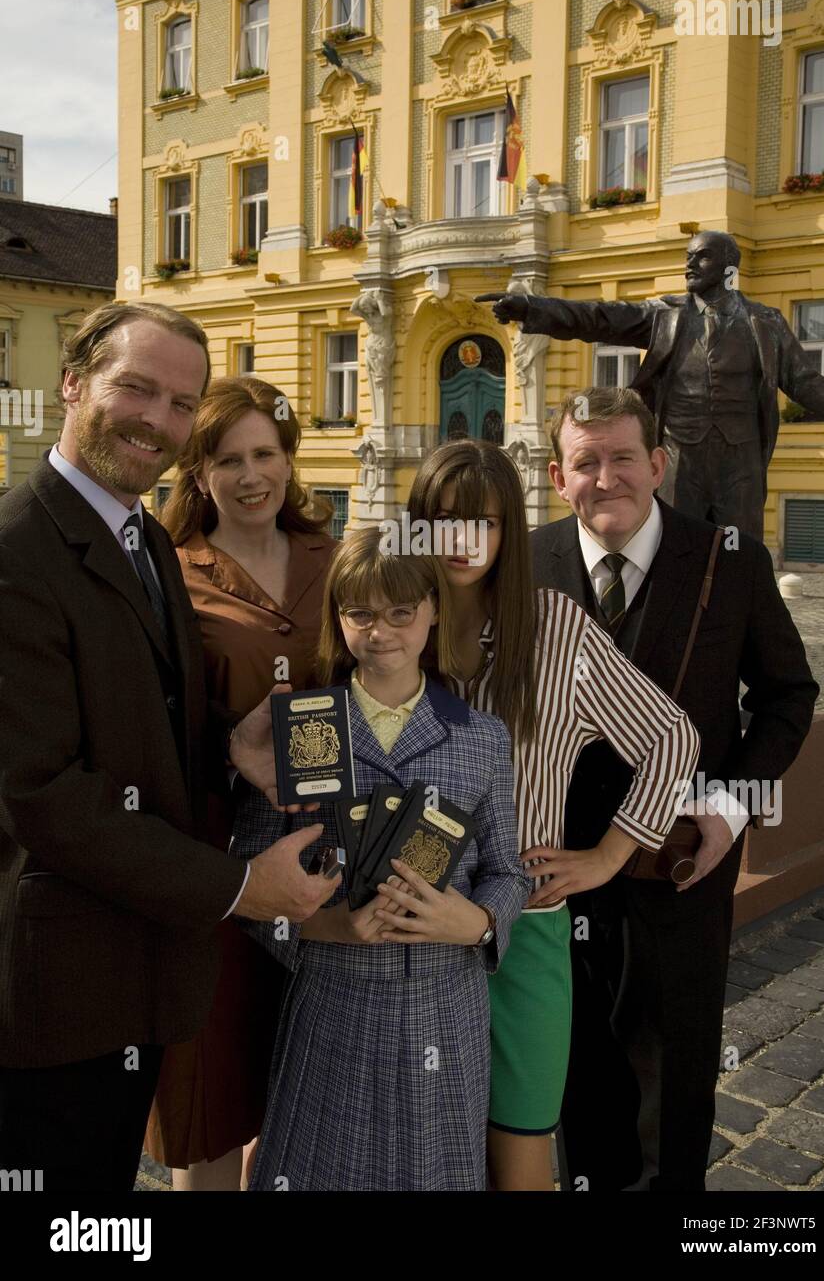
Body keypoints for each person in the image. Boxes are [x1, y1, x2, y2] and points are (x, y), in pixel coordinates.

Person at [0, 303, 338, 1192]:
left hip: (145, 965)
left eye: (181, 403)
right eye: (136, 388)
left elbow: (147, 731)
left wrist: (235, 747)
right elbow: (43, 794)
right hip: (61, 989)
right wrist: (238, 886)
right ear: (73, 383)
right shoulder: (16, 549)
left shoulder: (144, 536)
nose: (159, 418)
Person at [530, 386, 819, 1190]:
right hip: (558, 871)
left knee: (674, 1079)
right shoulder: (526, 560)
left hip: (683, 867)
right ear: (559, 476)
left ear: (658, 464)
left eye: (623, 457)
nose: (606, 477)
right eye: (586, 462)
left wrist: (732, 808)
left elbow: (787, 697)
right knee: (574, 1070)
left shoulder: (731, 561)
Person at [406, 440, 700, 1191]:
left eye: (485, 523)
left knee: (522, 1146)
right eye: (443, 521)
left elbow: (672, 737)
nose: (463, 542)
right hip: (413, 926)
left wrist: (607, 856)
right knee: (425, 1145)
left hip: (527, 929)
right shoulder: (398, 622)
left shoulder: (552, 626)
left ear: (510, 531)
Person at [231, 528, 530, 1192]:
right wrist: (326, 925)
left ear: (431, 612)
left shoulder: (481, 738)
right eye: (360, 613)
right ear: (337, 619)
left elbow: (510, 872)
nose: (381, 632)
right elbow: (249, 882)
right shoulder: (309, 728)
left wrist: (476, 924)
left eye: (401, 612)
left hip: (444, 1014)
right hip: (333, 1008)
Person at [143, 376, 337, 1191]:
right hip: (220, 874)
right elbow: (143, 728)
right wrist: (231, 746)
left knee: (315, 1095)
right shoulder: (170, 573)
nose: (252, 475)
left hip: (334, 871)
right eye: (229, 459)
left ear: (290, 460)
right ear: (198, 473)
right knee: (212, 1103)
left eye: (266, 453)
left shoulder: (339, 559)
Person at [477, 230, 824, 540]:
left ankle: (738, 630)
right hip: (679, 455)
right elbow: (599, 317)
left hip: (741, 459)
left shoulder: (765, 323)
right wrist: (532, 308)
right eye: (688, 257)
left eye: (702, 256)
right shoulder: (667, 315)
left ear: (729, 266)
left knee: (740, 551)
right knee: (673, 547)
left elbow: (808, 383)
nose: (690, 264)